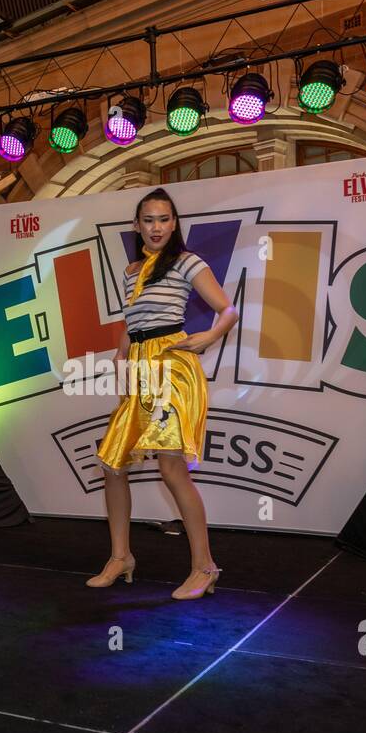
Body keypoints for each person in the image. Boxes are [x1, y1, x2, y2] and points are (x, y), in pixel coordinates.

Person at [88, 187, 238, 600]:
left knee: (172, 469)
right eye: (149, 220)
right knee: (112, 463)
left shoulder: (187, 262)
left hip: (172, 367)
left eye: (164, 219)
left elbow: (228, 310)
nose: (156, 227)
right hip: (139, 369)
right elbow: (133, 322)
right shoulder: (132, 271)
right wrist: (121, 356)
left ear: (174, 224)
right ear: (136, 225)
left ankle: (205, 567)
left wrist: (208, 336)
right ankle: (121, 557)